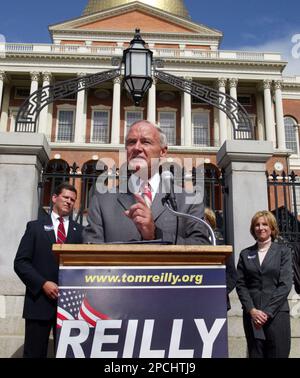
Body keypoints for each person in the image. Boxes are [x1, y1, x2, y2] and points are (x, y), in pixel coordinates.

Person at [83, 120, 210, 245]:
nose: (137, 148)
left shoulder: (189, 201)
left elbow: (201, 246)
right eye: (131, 142)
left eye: (146, 142)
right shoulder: (102, 201)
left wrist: (156, 234)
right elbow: (90, 253)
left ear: (163, 151)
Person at [14, 183, 83, 358]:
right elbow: (21, 262)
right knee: (34, 354)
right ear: (54, 198)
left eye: (72, 200)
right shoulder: (35, 227)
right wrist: (43, 283)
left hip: (70, 305)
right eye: (66, 197)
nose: (69, 202)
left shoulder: (80, 232)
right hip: (39, 302)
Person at [236, 210, 293, 358]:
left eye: (265, 224)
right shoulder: (245, 254)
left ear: (272, 228)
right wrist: (252, 310)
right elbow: (241, 284)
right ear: (253, 229)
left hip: (277, 315)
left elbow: (285, 284)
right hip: (252, 317)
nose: (261, 228)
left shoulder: (283, 252)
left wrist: (267, 312)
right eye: (257, 225)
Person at [204, 207, 237, 310]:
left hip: (219, 300)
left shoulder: (220, 246)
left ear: (211, 222)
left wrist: (219, 290)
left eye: (204, 220)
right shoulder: (190, 245)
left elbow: (232, 275)